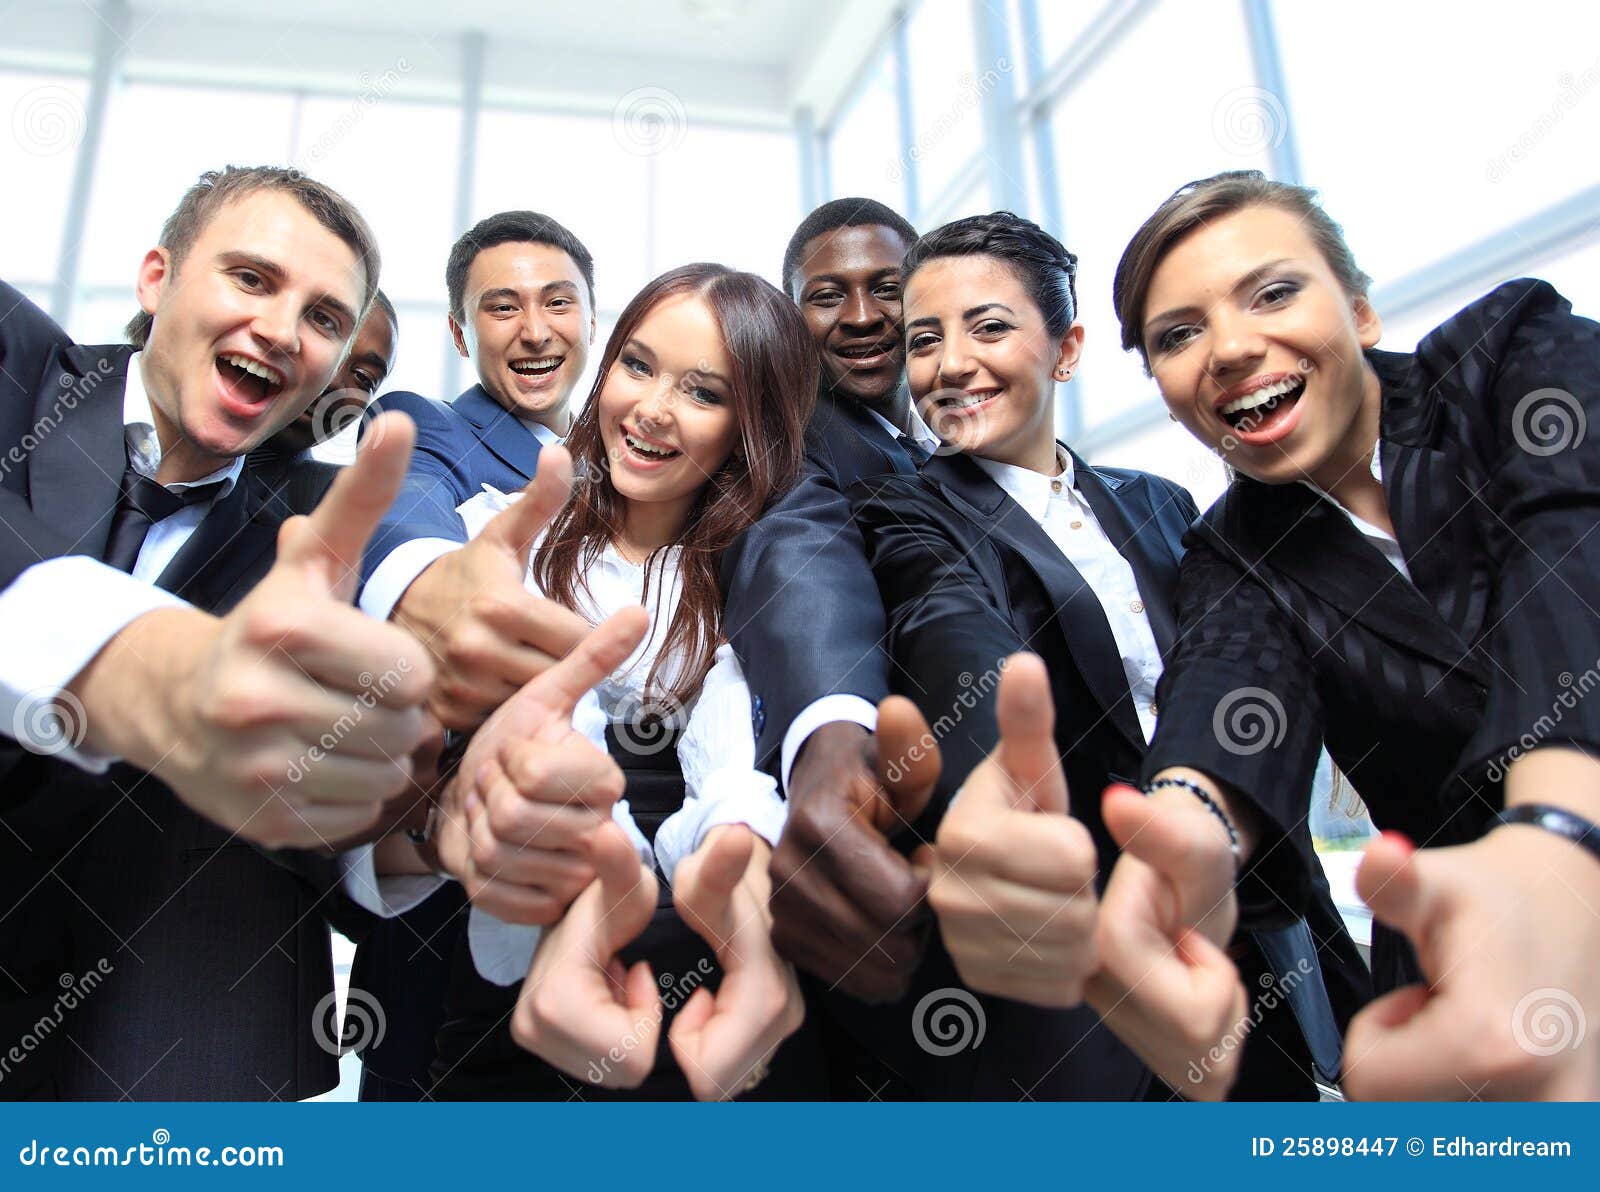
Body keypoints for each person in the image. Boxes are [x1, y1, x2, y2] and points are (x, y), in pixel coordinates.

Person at [1114, 169, 1600, 1100]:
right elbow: (1229, 678)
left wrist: (1554, 834)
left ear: (1361, 312)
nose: (1230, 348)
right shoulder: (1231, 550)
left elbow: (1575, 544)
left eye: (1272, 293)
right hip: (1458, 987)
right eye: (1178, 335)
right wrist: (1182, 829)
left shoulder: (1511, 353)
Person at [848, 211, 1345, 1099]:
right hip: (1083, 955)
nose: (950, 363)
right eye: (924, 341)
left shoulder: (1163, 502)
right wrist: (997, 774)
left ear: (1066, 350)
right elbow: (948, 628)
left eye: (988, 327)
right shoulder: (903, 511)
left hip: (1252, 916)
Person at [0, 165, 437, 1098]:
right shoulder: (13, 365)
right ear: (156, 278)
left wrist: (438, 829)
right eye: (251, 278)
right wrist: (142, 664)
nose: (282, 330)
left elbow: (339, 806)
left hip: (165, 1068)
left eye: (324, 319)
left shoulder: (331, 524)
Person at [416, 263, 823, 1099]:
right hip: (519, 967)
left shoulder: (762, 572)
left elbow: (733, 755)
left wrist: (735, 872)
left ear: (752, 425)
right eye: (637, 366)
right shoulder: (498, 534)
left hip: (713, 980)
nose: (651, 409)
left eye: (703, 392)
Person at [721, 199, 947, 1023]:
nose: (860, 316)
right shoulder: (788, 435)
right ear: (792, 320)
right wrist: (830, 732)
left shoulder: (947, 438)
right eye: (827, 296)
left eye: (886, 287)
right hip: (884, 862)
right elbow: (795, 551)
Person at [358, 210, 596, 732]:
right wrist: (425, 584)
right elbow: (408, 502)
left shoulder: (636, 458)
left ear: (592, 321)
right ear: (460, 335)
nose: (536, 332)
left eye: (558, 303)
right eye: (503, 308)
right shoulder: (424, 425)